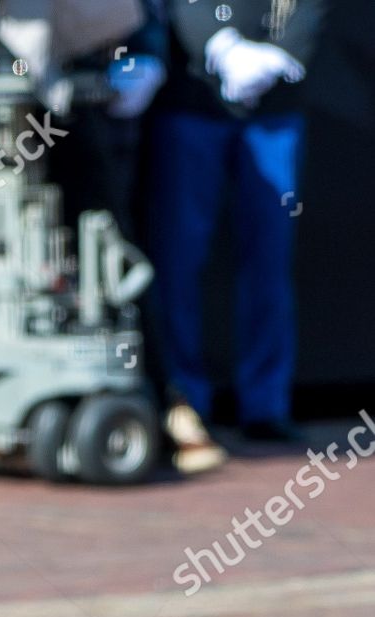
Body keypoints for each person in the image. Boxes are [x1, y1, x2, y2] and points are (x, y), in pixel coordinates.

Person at [151, 0, 326, 446]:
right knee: (179, 258)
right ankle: (183, 402)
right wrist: (219, 44)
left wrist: (279, 56)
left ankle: (265, 404)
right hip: (192, 100)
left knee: (270, 258)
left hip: (275, 107)